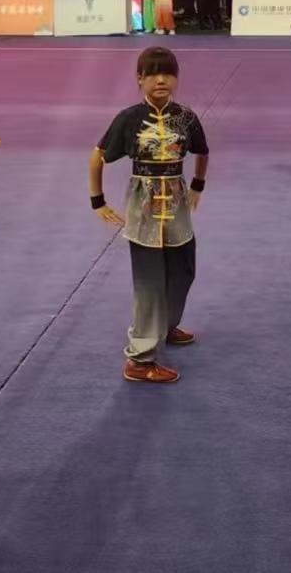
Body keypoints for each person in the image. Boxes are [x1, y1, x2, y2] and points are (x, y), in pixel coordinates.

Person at [89, 46, 209, 384]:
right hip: (143, 208)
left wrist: (197, 185)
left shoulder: (186, 117)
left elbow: (202, 151)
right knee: (149, 282)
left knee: (184, 270)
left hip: (177, 204)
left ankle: (166, 326)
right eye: (153, 73)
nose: (161, 80)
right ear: (139, 79)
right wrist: (98, 201)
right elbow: (98, 156)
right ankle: (140, 359)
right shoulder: (128, 118)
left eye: (168, 73)